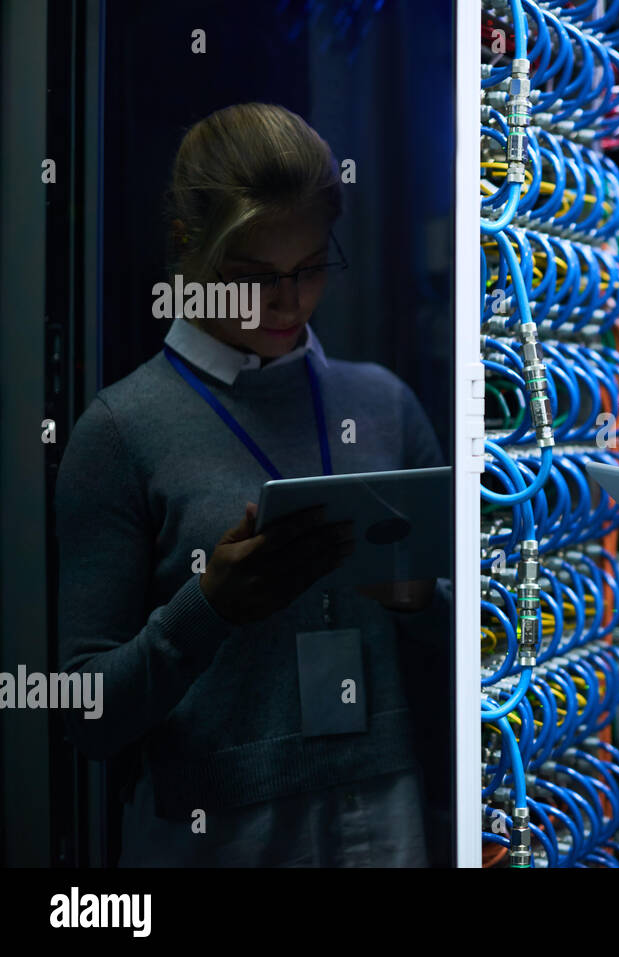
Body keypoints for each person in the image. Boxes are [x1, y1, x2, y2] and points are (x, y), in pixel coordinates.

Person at [56, 102, 449, 866]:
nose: (288, 301)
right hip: (214, 832)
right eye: (253, 278)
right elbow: (86, 715)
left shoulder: (383, 402)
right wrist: (205, 610)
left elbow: (482, 642)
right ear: (186, 245)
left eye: (309, 268)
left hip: (386, 807)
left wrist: (419, 598)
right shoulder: (120, 431)